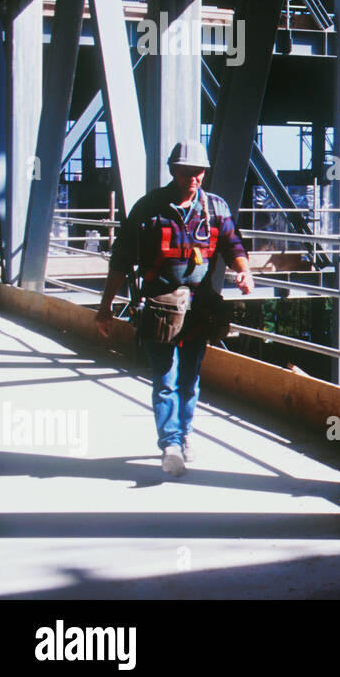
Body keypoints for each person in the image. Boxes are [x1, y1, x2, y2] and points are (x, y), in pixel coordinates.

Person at [95, 139, 254, 477]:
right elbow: (122, 258)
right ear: (172, 170)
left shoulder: (215, 208)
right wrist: (105, 306)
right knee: (165, 377)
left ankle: (185, 436)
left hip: (200, 308)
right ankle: (170, 442)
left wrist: (243, 269)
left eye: (198, 172)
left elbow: (232, 242)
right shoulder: (149, 209)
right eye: (185, 172)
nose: (192, 178)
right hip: (160, 307)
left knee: (190, 378)